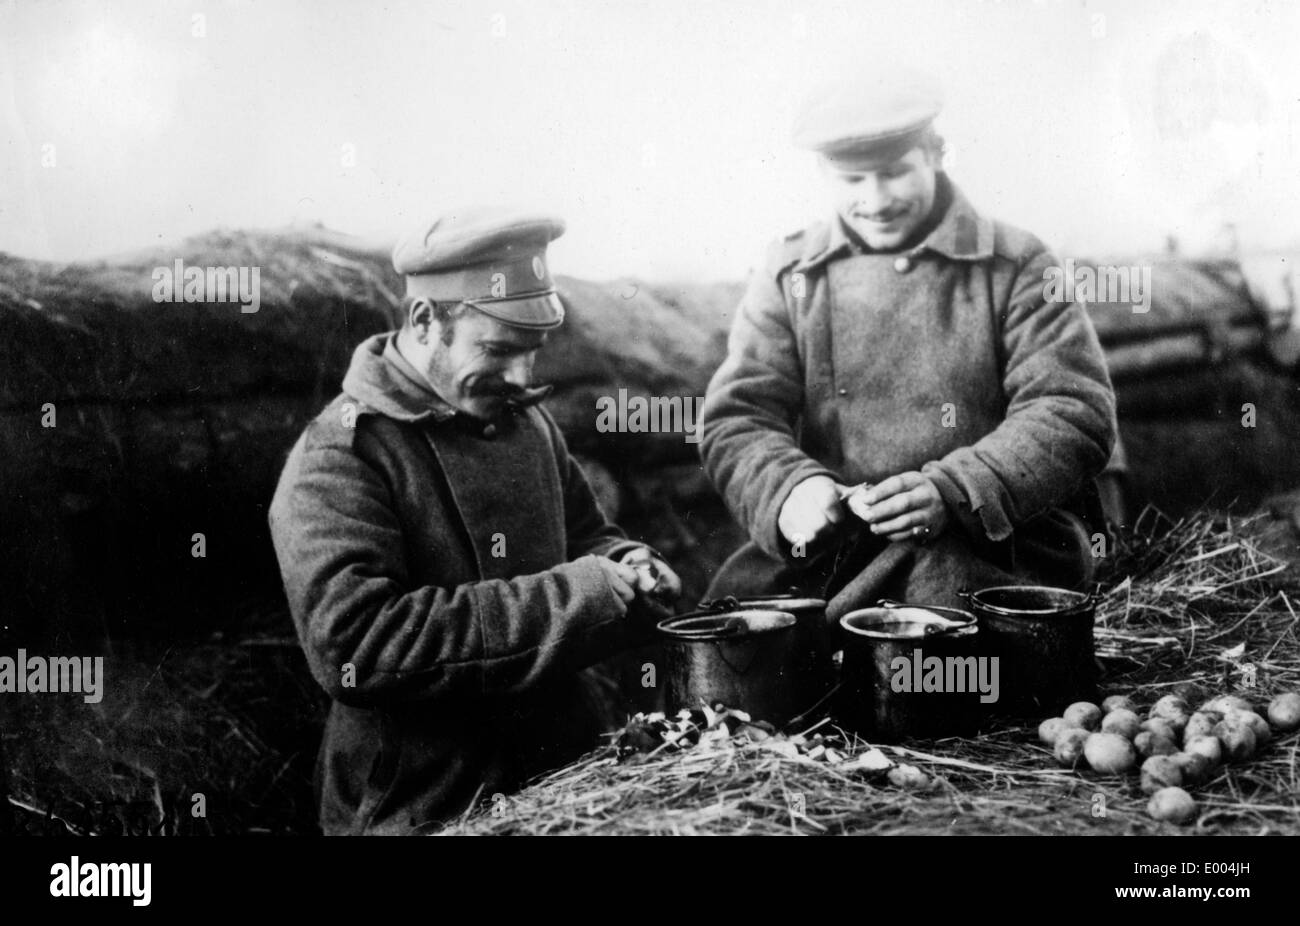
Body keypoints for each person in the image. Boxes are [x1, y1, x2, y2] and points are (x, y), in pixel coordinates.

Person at [269, 207, 680, 834]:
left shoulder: (526, 423)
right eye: (497, 349)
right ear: (426, 320)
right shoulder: (343, 456)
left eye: (532, 351)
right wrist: (579, 595)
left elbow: (587, 536)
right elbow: (354, 644)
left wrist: (629, 566)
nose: (523, 377)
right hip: (425, 804)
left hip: (564, 778)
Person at [700, 67, 1117, 620]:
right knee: (729, 646)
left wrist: (953, 490)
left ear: (936, 154)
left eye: (895, 172)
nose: (875, 200)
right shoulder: (791, 273)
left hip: (991, 544)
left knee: (941, 639)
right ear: (825, 173)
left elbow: (1071, 409)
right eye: (853, 181)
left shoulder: (1014, 265)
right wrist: (789, 490)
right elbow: (738, 417)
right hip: (835, 550)